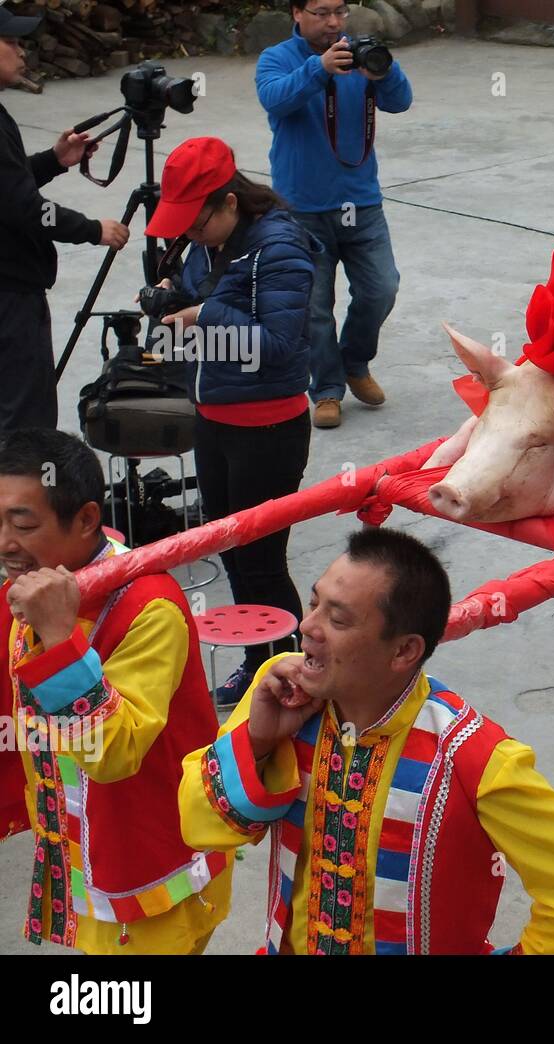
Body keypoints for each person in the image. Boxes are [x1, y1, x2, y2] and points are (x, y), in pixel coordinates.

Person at [179, 527, 554, 954]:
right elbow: (199, 825)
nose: (307, 627)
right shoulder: (281, 695)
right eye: (314, 604)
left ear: (403, 651)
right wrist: (257, 740)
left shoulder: (470, 756)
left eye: (336, 618)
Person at [0, 429, 231, 952]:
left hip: (153, 874)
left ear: (85, 520)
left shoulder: (150, 608)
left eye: (24, 525)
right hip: (79, 852)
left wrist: (59, 640)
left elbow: (112, 753)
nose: (4, 545)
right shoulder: (32, 587)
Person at [144, 136, 315, 707]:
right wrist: (173, 291)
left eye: (196, 225)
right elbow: (200, 290)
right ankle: (257, 660)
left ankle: (294, 669)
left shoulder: (280, 247)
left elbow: (275, 342)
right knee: (231, 550)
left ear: (230, 203)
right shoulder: (208, 246)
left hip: (267, 428)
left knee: (261, 560)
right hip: (214, 419)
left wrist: (200, 314)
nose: (189, 237)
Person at [256, 1, 413, 430]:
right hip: (302, 208)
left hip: (361, 202)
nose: (333, 23)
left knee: (381, 288)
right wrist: (319, 68)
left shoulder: (358, 52)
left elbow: (400, 102)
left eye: (341, 12)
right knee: (313, 307)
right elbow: (276, 100)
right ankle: (326, 389)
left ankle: (354, 363)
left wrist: (384, 72)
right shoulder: (276, 59)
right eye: (322, 12)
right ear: (297, 13)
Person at [0, 7, 129, 433]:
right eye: (11, 42)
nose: (22, 52)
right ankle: (22, 498)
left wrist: (54, 161)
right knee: (25, 421)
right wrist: (93, 230)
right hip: (11, 293)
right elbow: (26, 208)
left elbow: (7, 187)